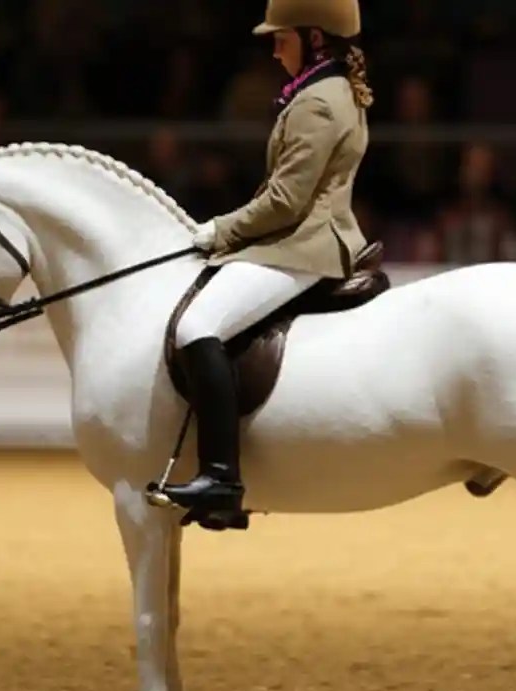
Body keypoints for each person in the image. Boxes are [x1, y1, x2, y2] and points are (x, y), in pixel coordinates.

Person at [159, 0, 375, 528]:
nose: (274, 46)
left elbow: (285, 200)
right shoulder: (329, 91)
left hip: (304, 246)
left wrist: (221, 229)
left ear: (315, 38)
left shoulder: (316, 103)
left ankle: (221, 477)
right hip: (301, 240)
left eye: (283, 37)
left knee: (196, 326)